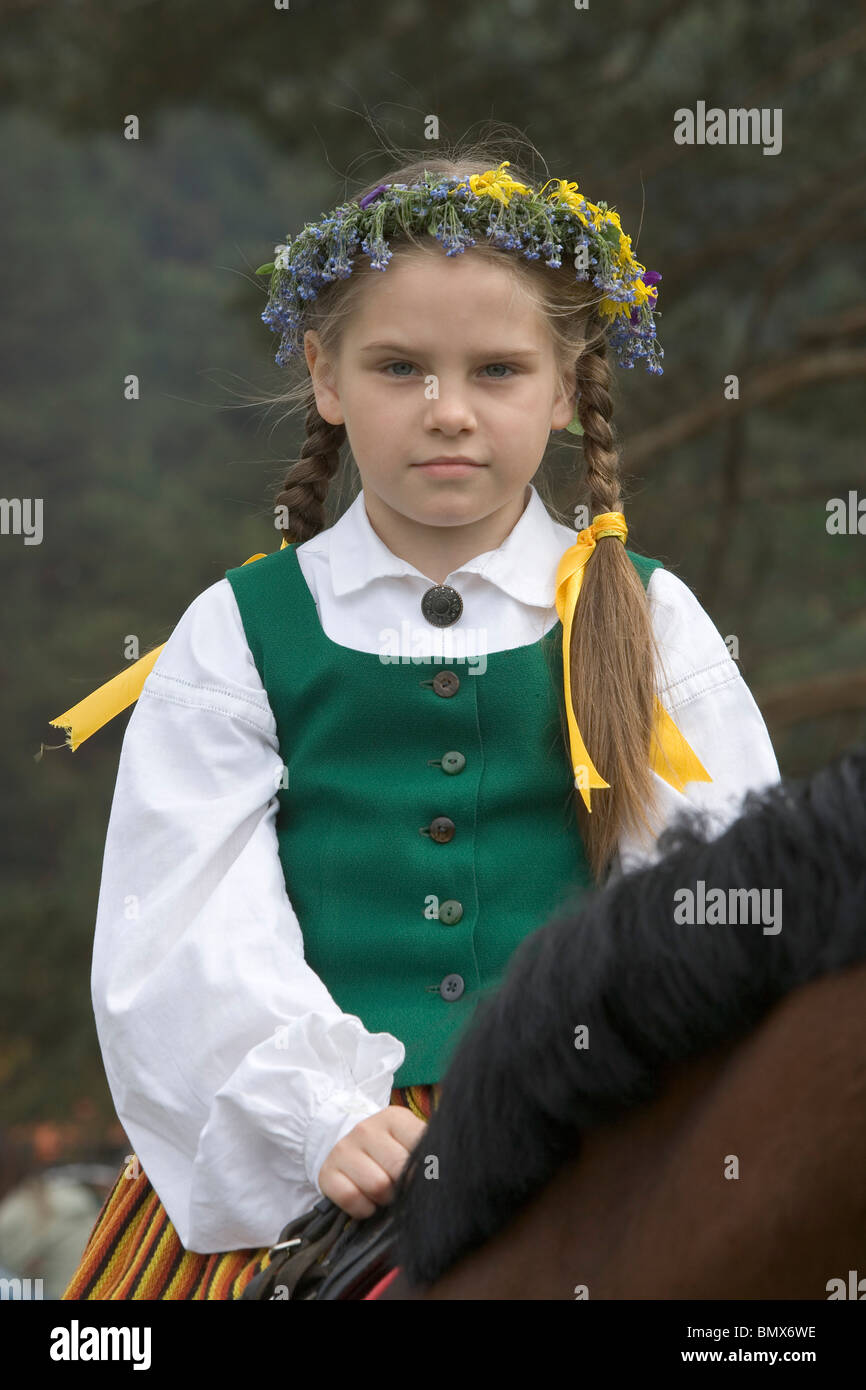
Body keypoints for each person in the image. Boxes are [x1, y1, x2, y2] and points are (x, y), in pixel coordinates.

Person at [55, 142, 780, 1299]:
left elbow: (715, 907)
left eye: (495, 370)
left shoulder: (647, 621)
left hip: (578, 1138)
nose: (447, 412)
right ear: (326, 377)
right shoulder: (237, 632)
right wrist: (320, 1119)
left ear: (561, 384)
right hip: (309, 1163)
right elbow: (178, 929)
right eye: (399, 367)